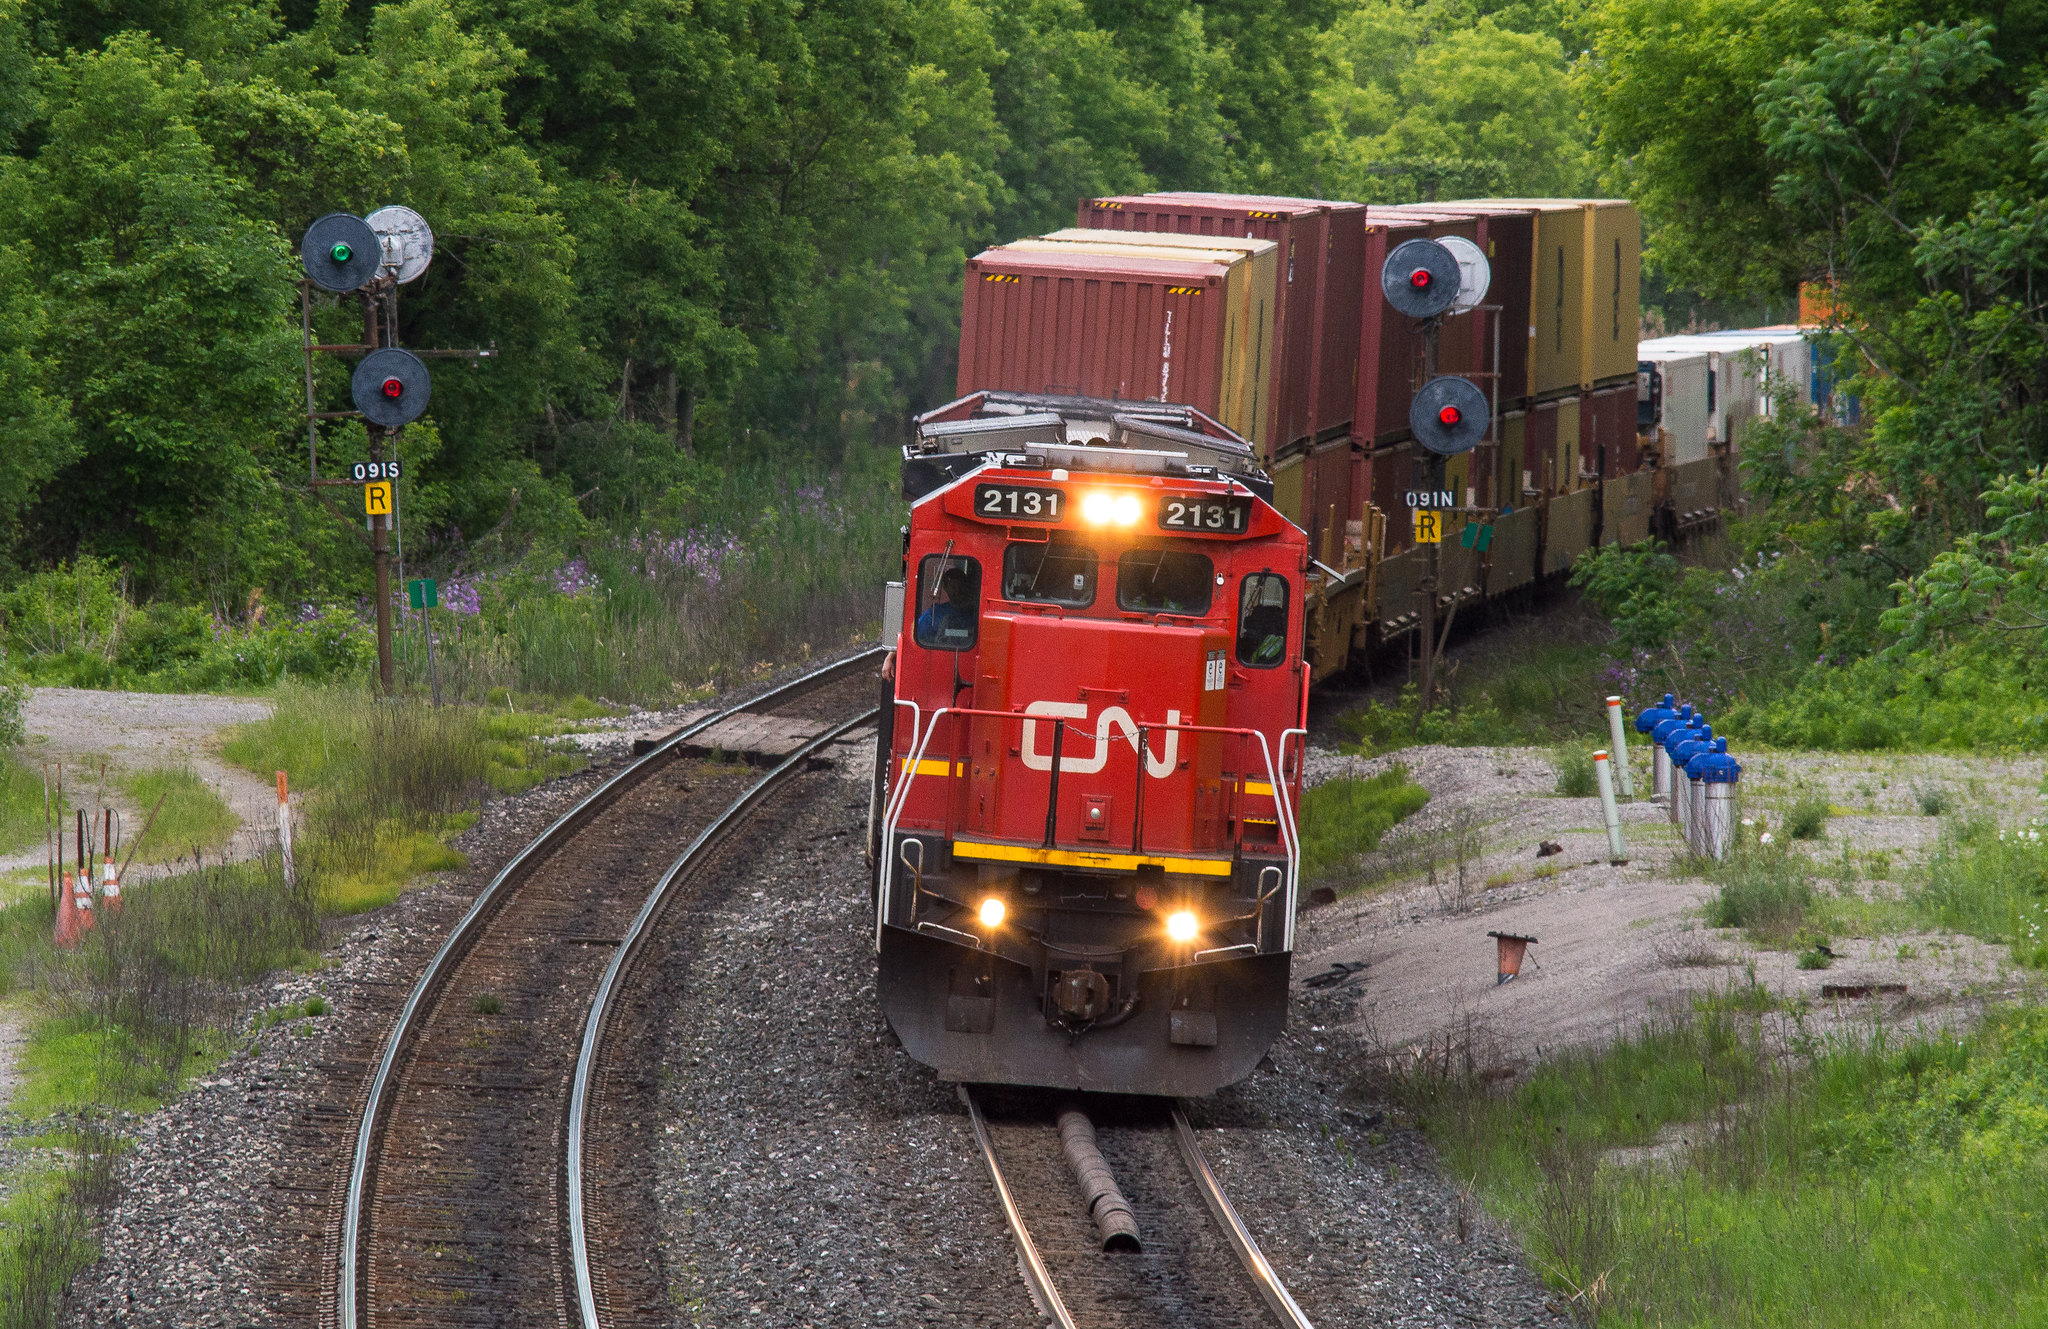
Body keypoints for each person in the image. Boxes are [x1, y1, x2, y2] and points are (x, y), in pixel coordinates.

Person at [915, 567, 975, 646]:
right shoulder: (934, 614)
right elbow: (916, 638)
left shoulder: (974, 614)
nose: (958, 590)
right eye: (953, 586)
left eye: (961, 586)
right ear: (945, 588)